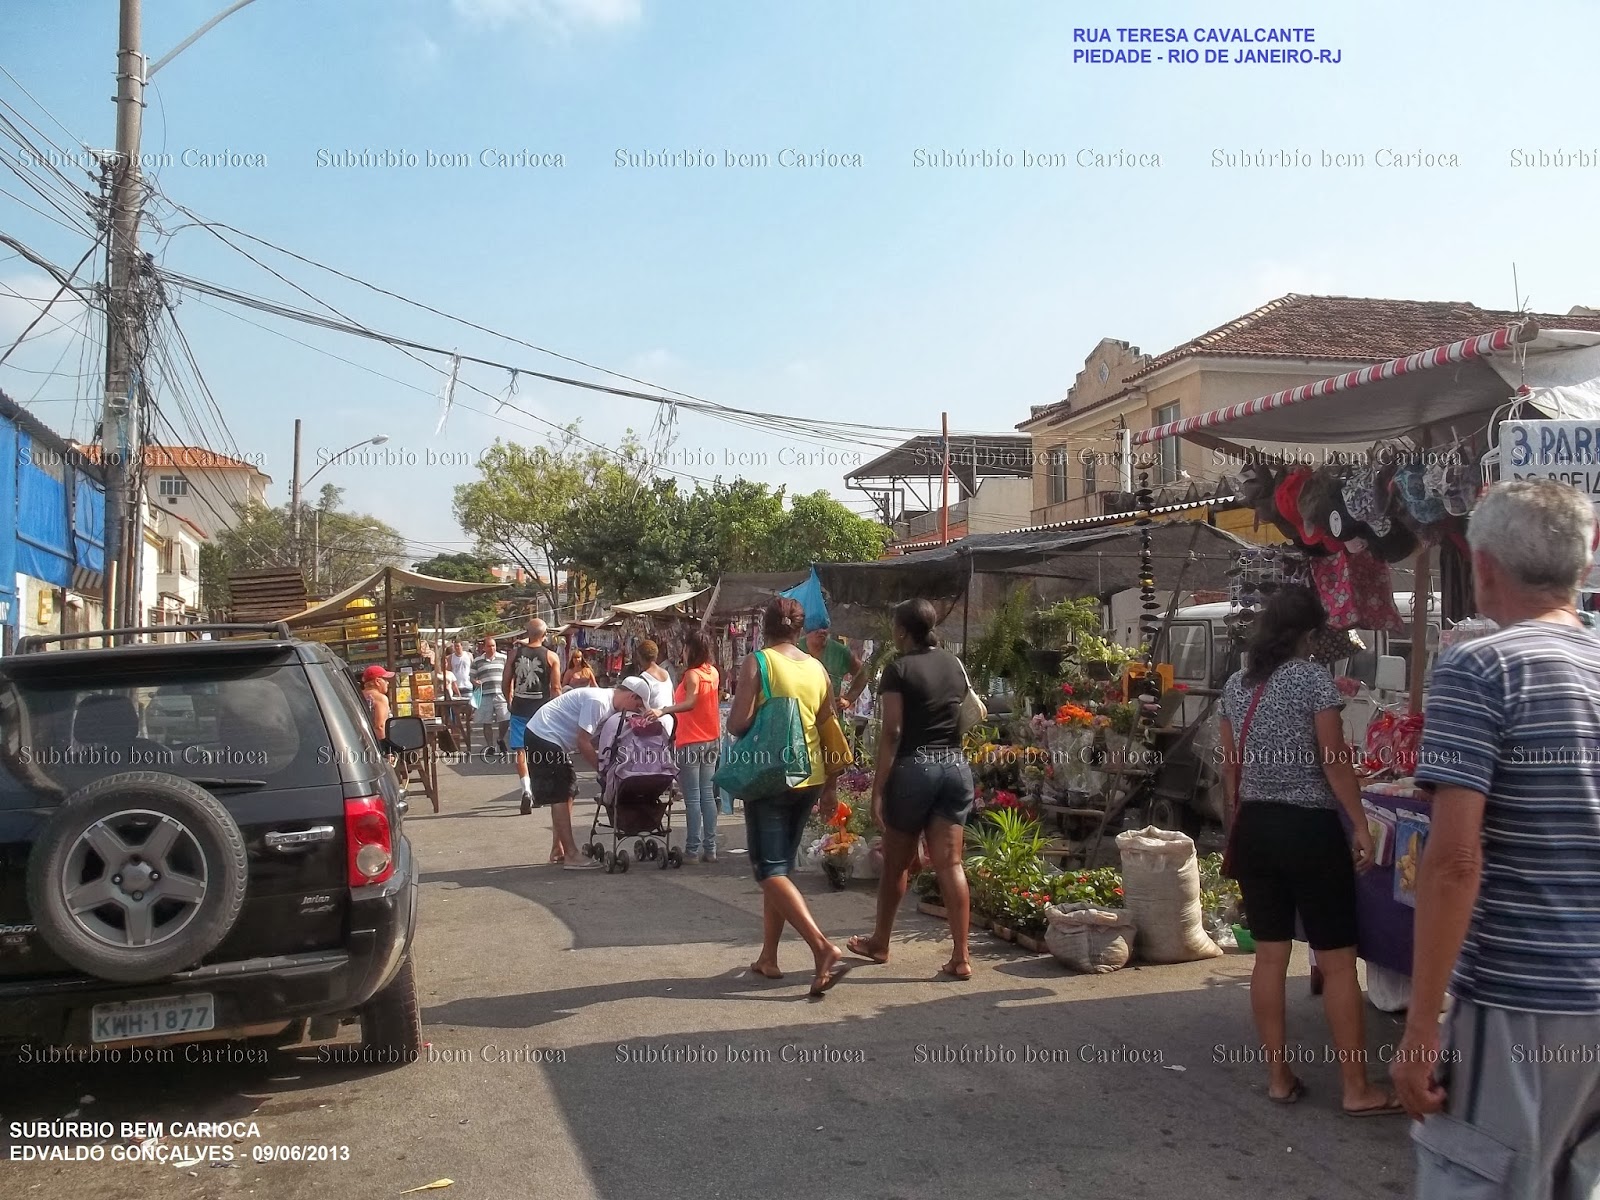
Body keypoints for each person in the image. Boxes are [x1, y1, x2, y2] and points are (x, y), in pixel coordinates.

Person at [1390, 481, 1600, 1195]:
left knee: (1482, 1179)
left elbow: (1452, 863)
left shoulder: (1480, 668)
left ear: (1480, 566)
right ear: (1589, 558)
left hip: (1520, 1001)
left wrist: (1420, 1029)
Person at [1218, 584, 1394, 1114]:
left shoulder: (1235, 685)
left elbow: (1230, 768)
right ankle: (1357, 1089)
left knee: (1270, 956)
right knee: (1338, 961)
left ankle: (1278, 1077)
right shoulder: (1311, 681)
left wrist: (1245, 815)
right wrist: (1361, 825)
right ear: (1310, 634)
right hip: (1309, 831)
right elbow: (1334, 760)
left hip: (1256, 829)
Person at [727, 596, 852, 996]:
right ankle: (769, 957)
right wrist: (831, 785)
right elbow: (828, 726)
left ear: (765, 627)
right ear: (799, 629)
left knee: (769, 870)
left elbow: (736, 723)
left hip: (770, 775)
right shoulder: (817, 669)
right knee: (780, 869)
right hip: (810, 777)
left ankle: (822, 947)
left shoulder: (758, 663)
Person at [847, 598, 976, 979]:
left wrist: (877, 789)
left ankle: (880, 943)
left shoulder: (897, 669)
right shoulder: (955, 664)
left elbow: (892, 731)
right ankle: (961, 955)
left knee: (896, 864)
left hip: (914, 770)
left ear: (902, 631)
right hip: (955, 768)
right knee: (951, 864)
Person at [525, 677, 650, 869]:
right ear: (631, 695)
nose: (636, 710)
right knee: (560, 795)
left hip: (549, 738)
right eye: (637, 704)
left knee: (568, 792)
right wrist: (602, 771)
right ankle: (571, 856)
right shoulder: (598, 701)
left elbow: (597, 742)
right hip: (544, 736)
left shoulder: (609, 707)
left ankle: (559, 849)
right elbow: (584, 742)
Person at [651, 631, 721, 862]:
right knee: (707, 796)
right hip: (711, 740)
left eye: (684, 647)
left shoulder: (692, 675)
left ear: (691, 649)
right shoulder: (712, 672)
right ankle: (710, 849)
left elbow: (690, 703)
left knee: (692, 798)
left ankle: (692, 850)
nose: (681, 651)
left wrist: (664, 710)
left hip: (691, 741)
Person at [505, 617, 563, 818]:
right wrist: (559, 709)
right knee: (542, 750)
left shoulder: (514, 654)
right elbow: (555, 688)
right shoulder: (552, 657)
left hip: (520, 709)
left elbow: (506, 682)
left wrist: (509, 700)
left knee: (521, 750)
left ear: (527, 634)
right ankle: (540, 791)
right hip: (542, 711)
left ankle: (526, 790)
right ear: (545, 635)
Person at [805, 622, 869, 716]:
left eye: (825, 626)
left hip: (830, 719)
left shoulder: (840, 651)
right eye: (816, 626)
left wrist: (849, 699)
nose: (822, 631)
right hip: (801, 717)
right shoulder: (795, 648)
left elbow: (864, 673)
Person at [472, 636, 510, 756]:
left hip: (501, 693)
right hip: (485, 694)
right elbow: (472, 676)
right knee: (486, 722)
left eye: (493, 645)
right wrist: (475, 682)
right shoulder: (477, 661)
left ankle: (500, 739)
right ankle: (490, 746)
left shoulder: (503, 658)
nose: (492, 648)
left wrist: (510, 690)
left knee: (505, 718)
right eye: (489, 646)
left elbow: (510, 674)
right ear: (484, 647)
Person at [633, 640, 675, 737]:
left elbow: (638, 705)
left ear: (640, 657)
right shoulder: (666, 673)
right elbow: (673, 698)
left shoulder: (644, 677)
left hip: (654, 727)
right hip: (669, 722)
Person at [360, 664, 394, 733]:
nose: (387, 682)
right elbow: (380, 727)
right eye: (385, 679)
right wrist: (383, 743)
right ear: (377, 681)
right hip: (376, 741)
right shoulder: (380, 698)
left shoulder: (358, 695)